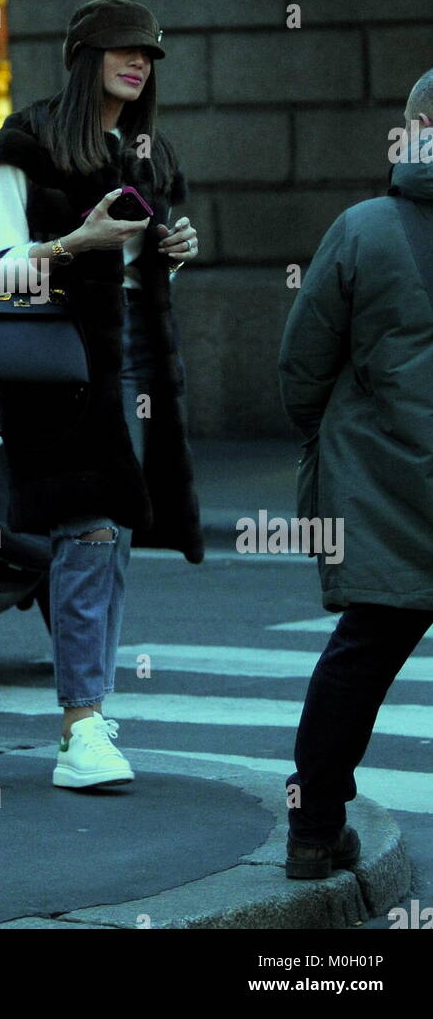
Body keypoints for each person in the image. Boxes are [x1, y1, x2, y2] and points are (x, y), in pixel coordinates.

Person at [0, 0, 203, 789]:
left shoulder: (145, 151)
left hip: (135, 364)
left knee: (116, 534)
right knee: (89, 530)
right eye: (121, 51)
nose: (137, 64)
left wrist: (167, 251)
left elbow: (134, 271)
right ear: (86, 57)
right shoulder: (27, 143)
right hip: (58, 368)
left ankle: (91, 712)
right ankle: (79, 726)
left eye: (148, 54)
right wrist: (74, 244)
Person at [278, 69, 433, 880]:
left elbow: (302, 365)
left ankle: (314, 828)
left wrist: (334, 435)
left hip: (384, 488)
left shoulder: (363, 229)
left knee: (361, 657)